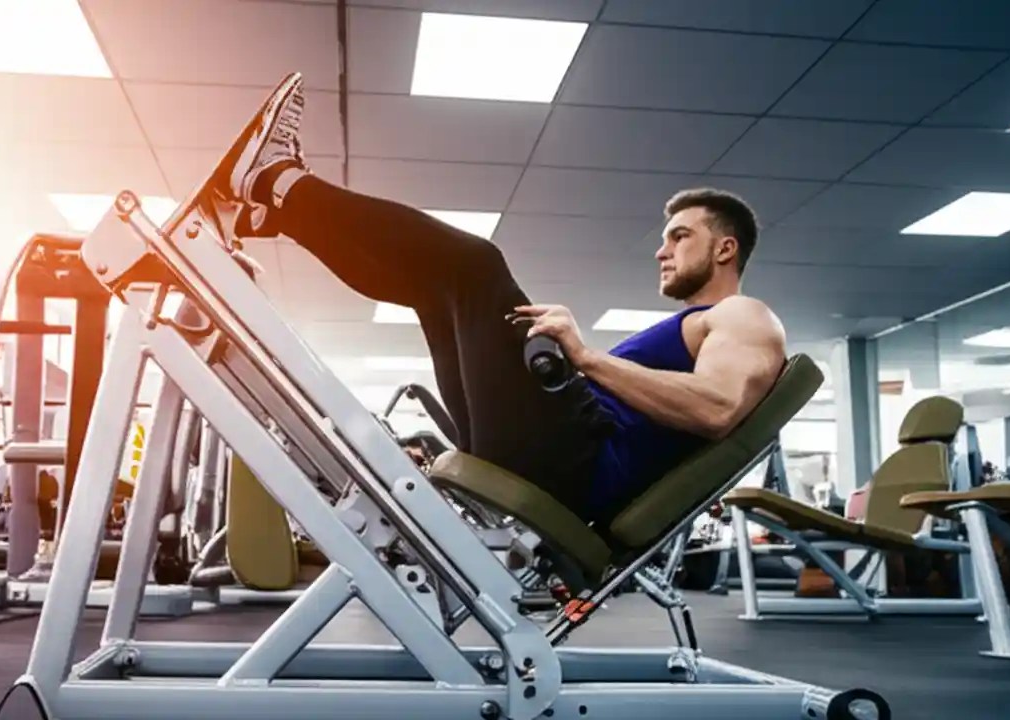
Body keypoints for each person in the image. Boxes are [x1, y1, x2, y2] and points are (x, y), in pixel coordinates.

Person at [208, 73, 787, 524]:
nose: (662, 251)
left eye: (680, 237)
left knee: (476, 264)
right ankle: (275, 213)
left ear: (725, 249)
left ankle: (274, 180)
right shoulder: (701, 325)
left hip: (575, 466)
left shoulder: (745, 315)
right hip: (558, 456)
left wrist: (585, 359)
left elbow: (716, 408)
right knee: (432, 288)